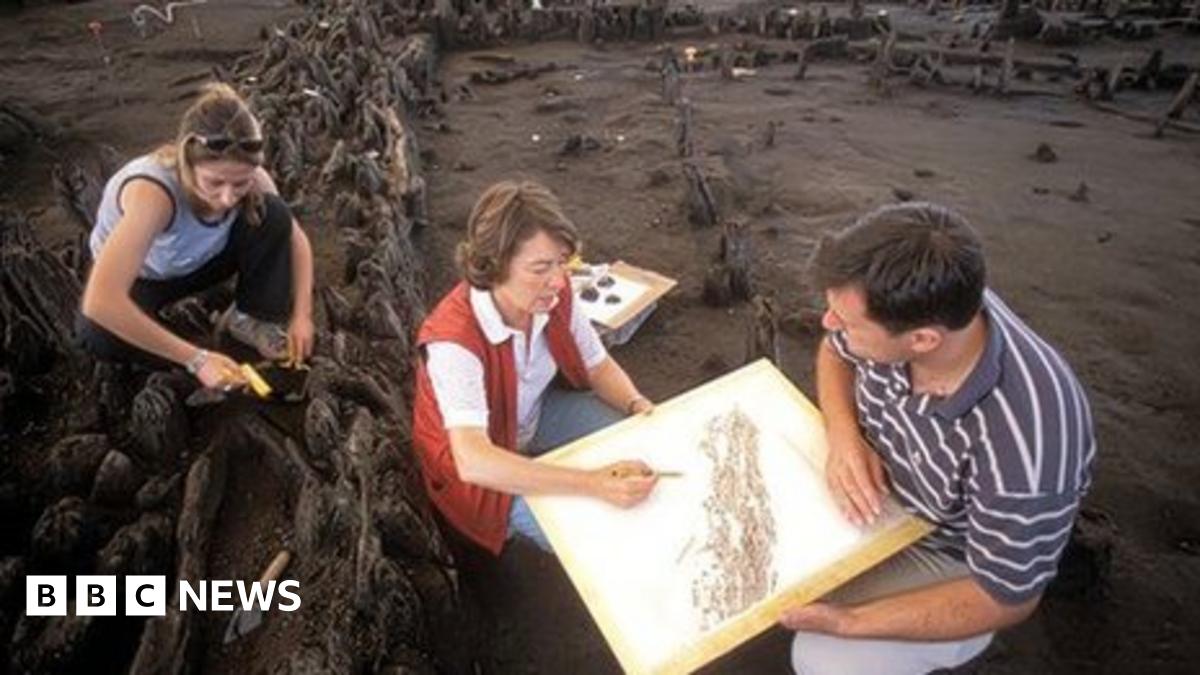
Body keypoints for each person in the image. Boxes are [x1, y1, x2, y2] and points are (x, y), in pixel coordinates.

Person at [780, 202, 1096, 674]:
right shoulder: (913, 310)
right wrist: (844, 435)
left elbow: (1004, 597)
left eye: (846, 321)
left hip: (952, 551)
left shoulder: (1025, 448)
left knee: (824, 657)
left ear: (923, 341)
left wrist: (851, 622)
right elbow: (835, 352)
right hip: (881, 487)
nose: (828, 324)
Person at [411, 180, 659, 554]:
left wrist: (637, 406)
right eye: (540, 268)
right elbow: (473, 460)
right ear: (494, 265)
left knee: (643, 450)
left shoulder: (555, 295)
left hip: (536, 413)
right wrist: (592, 483)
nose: (558, 281)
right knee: (592, 534)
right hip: (481, 470)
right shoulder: (453, 341)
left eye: (562, 263)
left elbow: (597, 366)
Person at [78, 83, 314, 389]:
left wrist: (302, 316)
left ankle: (248, 319)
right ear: (187, 163)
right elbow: (100, 302)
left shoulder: (253, 178)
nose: (227, 198)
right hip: (147, 276)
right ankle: (191, 351)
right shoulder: (153, 193)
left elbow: (296, 240)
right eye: (214, 183)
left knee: (274, 212)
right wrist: (196, 359)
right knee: (97, 333)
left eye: (240, 184)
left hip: (204, 260)